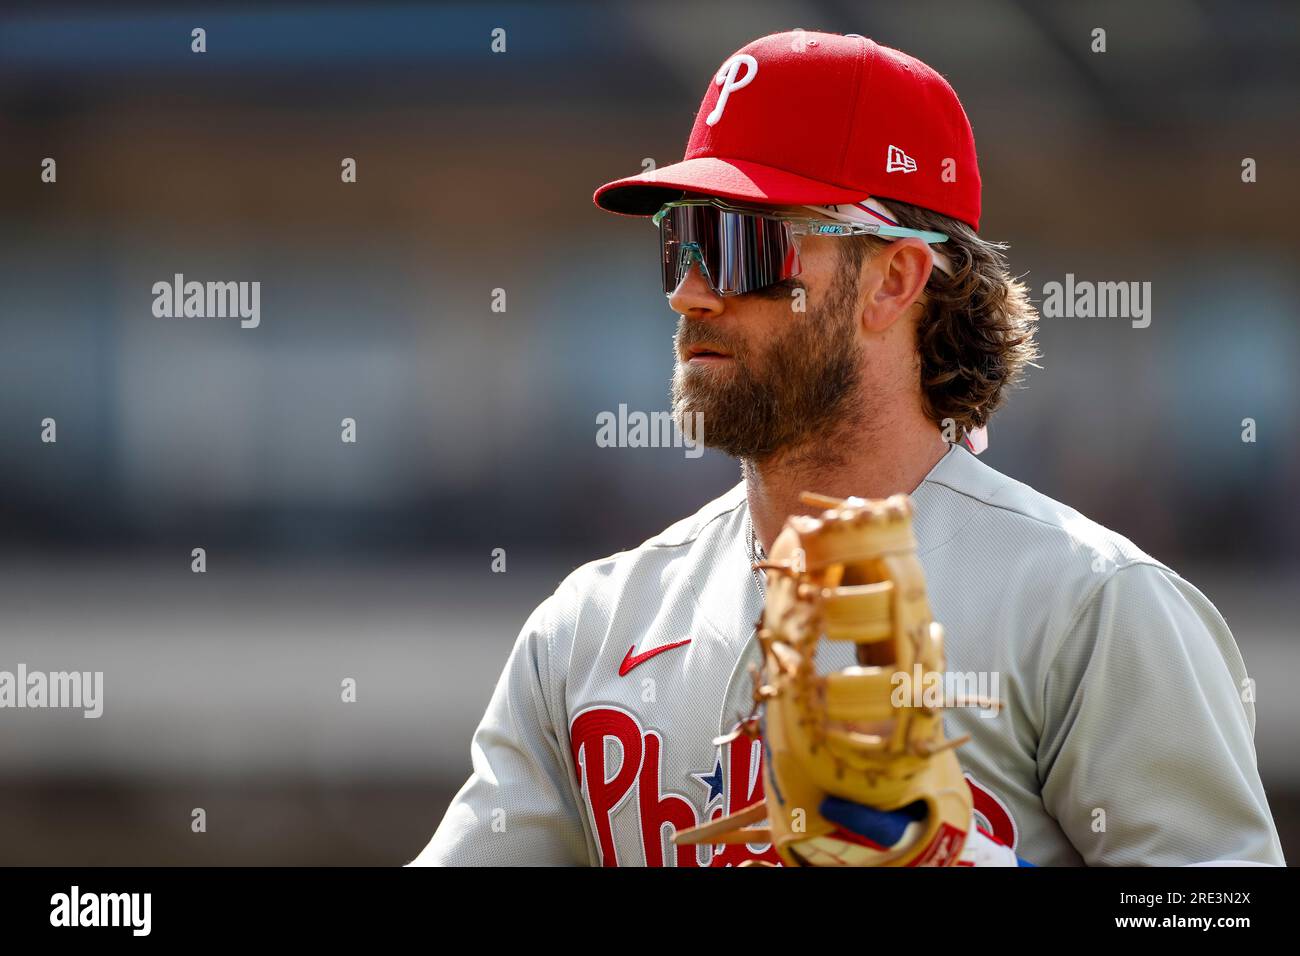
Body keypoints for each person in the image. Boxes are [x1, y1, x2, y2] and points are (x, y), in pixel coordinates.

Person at [411, 30, 1284, 866]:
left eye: (739, 244)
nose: (689, 293)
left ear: (893, 280)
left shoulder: (1094, 609)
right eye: (679, 241)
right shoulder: (589, 628)